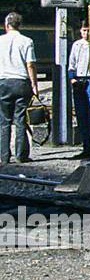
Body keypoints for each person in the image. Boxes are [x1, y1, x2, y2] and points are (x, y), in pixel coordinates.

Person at [0, 12, 40, 165]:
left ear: (7, 25)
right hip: (21, 82)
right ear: (19, 25)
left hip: (3, 82)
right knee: (20, 120)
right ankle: (21, 155)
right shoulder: (27, 41)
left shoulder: (0, 41)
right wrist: (34, 84)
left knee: (3, 121)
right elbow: (30, 64)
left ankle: (3, 156)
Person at [68, 20, 90, 157]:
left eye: (88, 30)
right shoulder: (76, 45)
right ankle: (86, 147)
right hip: (79, 80)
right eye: (84, 30)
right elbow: (72, 64)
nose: (86, 33)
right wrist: (72, 79)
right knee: (81, 114)